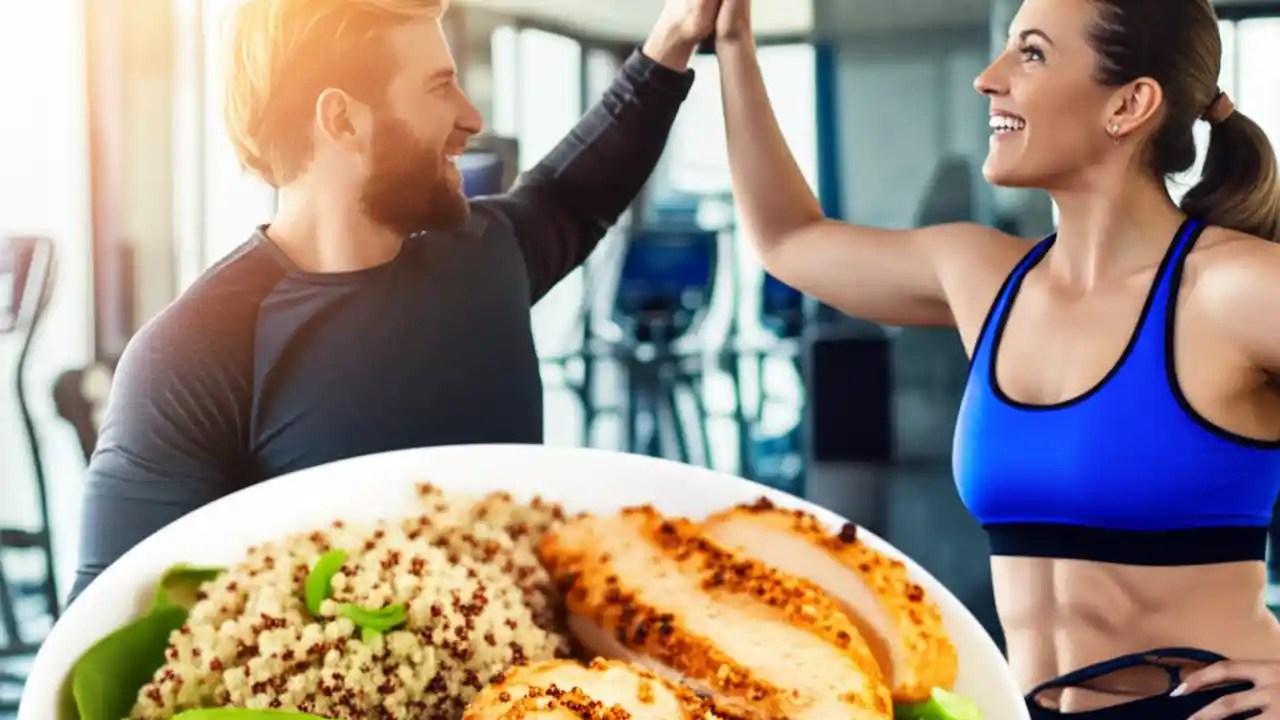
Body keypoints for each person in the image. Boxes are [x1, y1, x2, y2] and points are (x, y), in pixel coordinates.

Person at [712, 0, 1280, 717]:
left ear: (1130, 104)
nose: (988, 78)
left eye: (1031, 53)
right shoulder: (984, 277)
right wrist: (733, 44)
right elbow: (789, 241)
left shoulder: (1235, 290)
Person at [69, 0, 720, 603]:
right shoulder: (190, 354)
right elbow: (109, 622)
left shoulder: (485, 256)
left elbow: (575, 191)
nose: (471, 118)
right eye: (440, 86)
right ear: (343, 120)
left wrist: (677, 31)